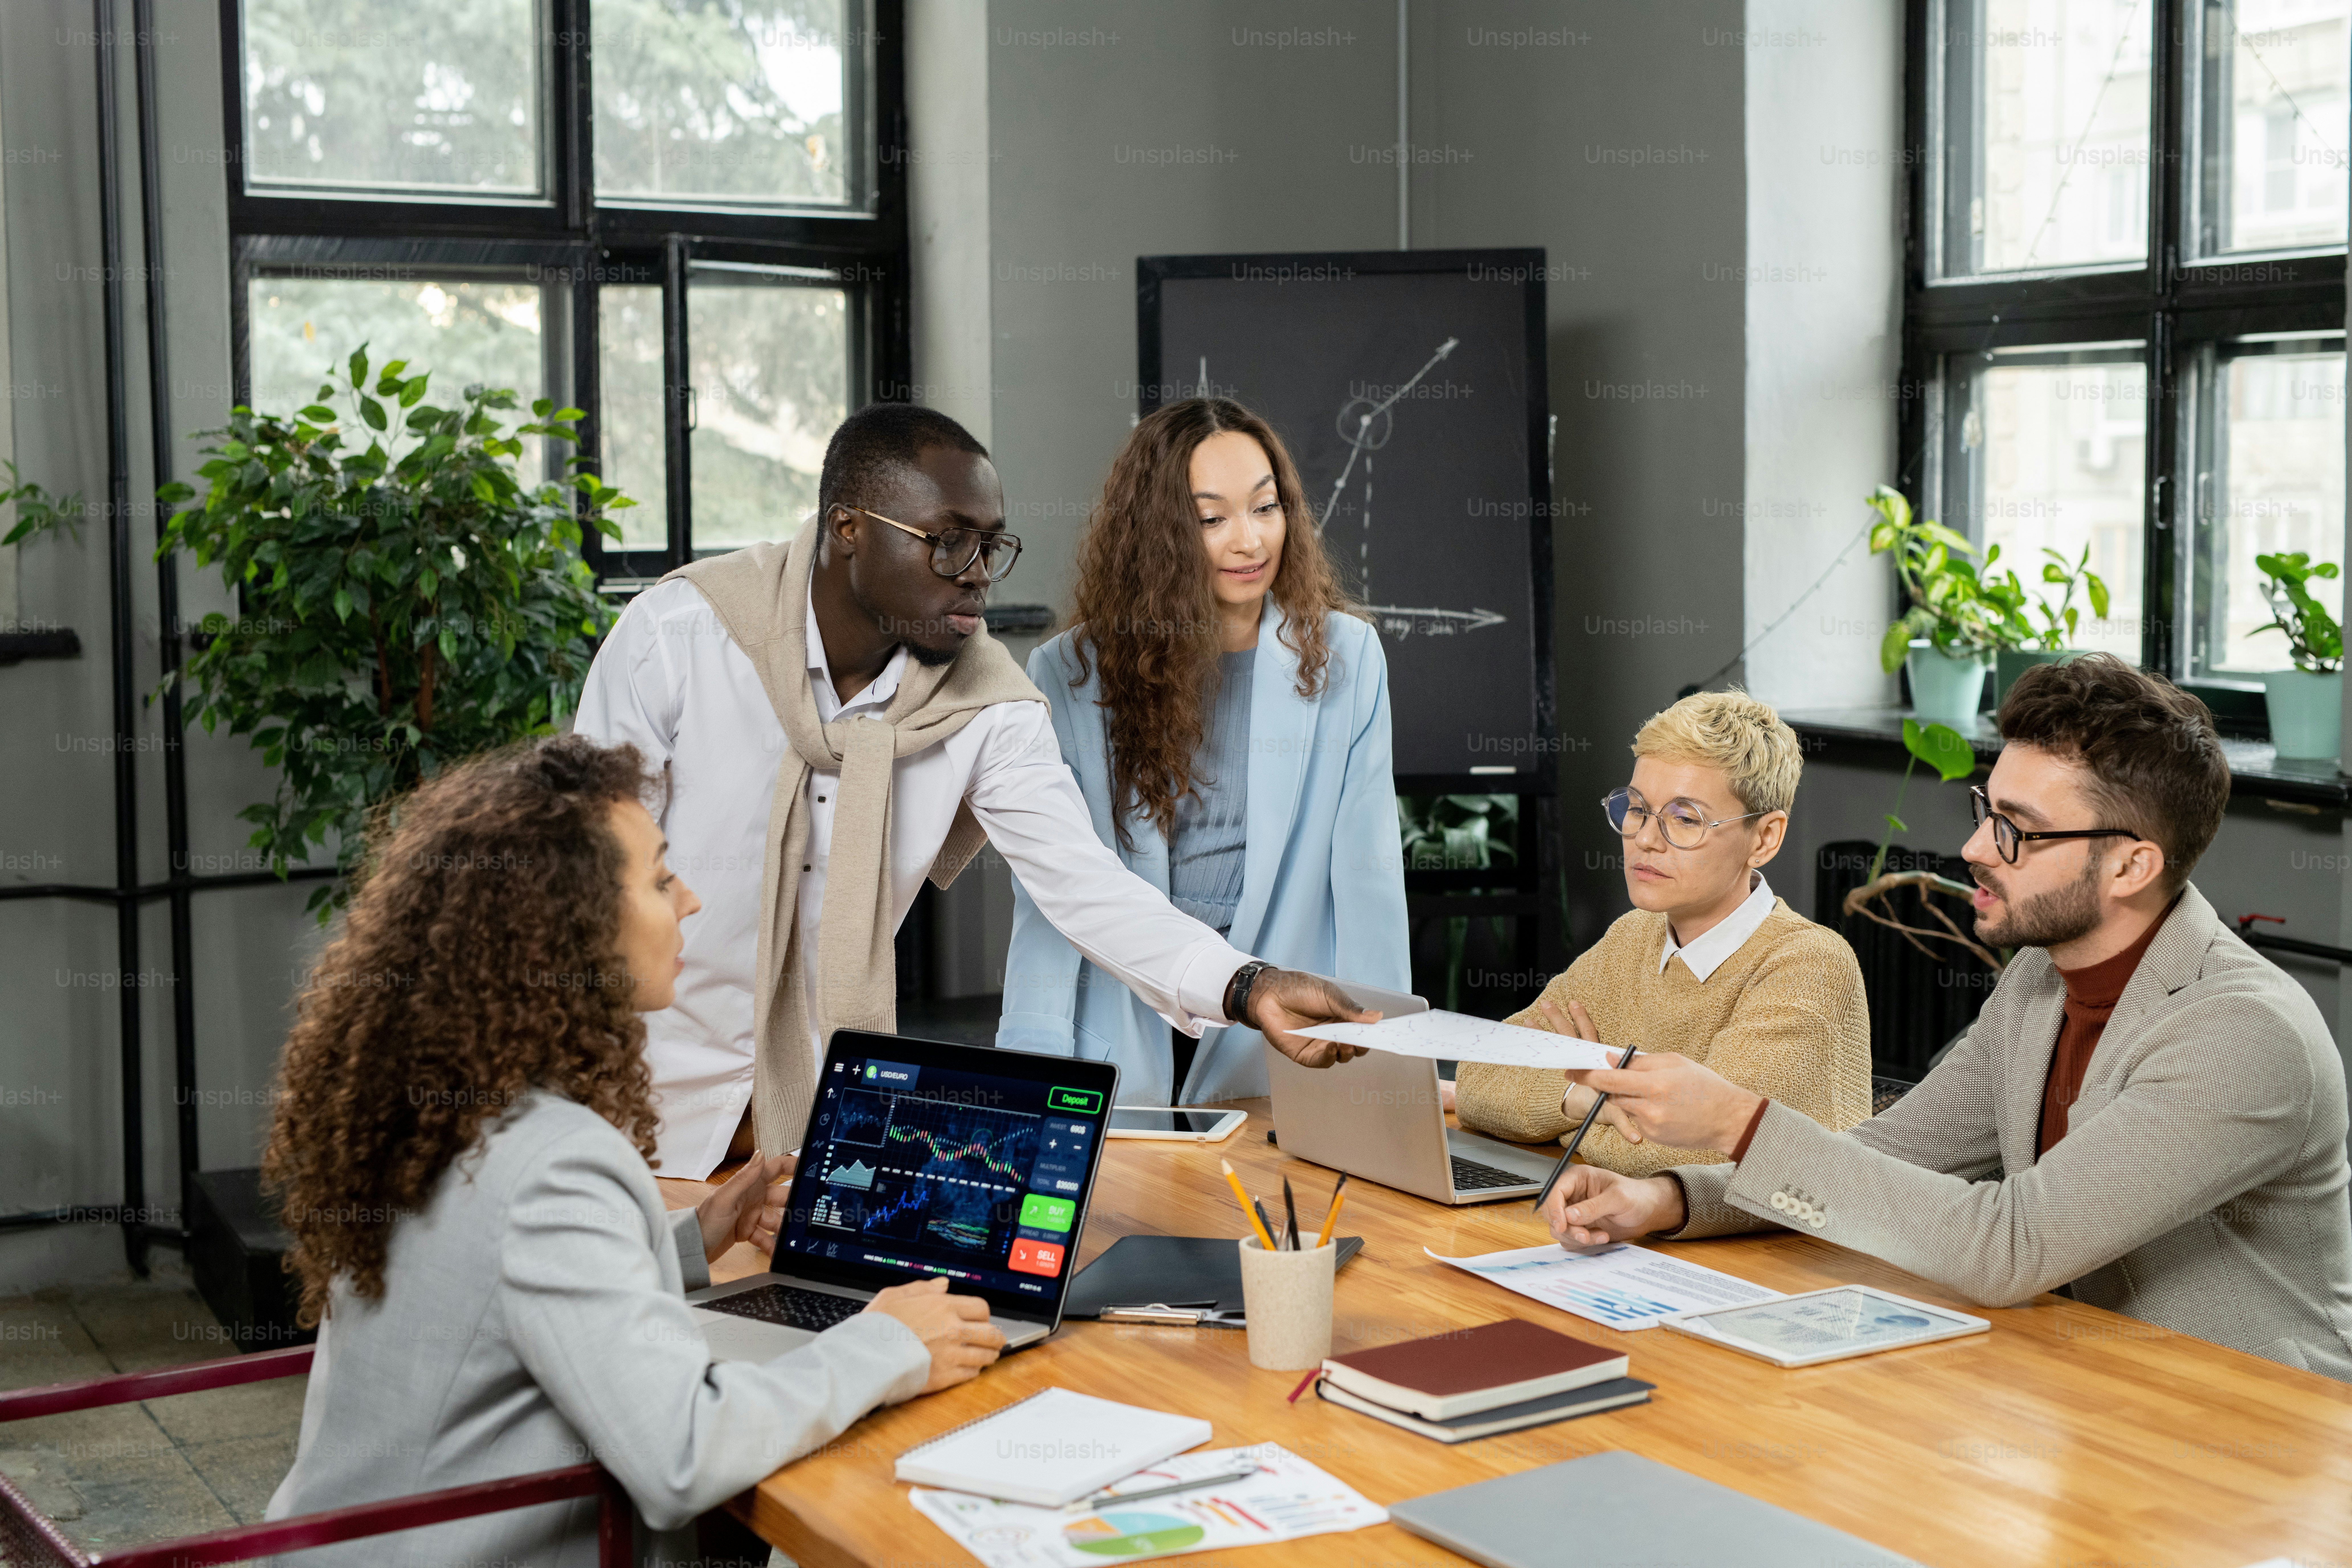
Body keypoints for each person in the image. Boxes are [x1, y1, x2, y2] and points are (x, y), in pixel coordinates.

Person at [574, 403, 1375, 1178]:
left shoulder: (987, 702)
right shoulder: (679, 637)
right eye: (949, 544)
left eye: (992, 546)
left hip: (822, 1136)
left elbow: (1086, 885)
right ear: (849, 529)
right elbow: (590, 883)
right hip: (633, 1116)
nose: (978, 577)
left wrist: (1248, 986)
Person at [260, 735, 1006, 1566]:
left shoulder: (439, 1112)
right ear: (564, 933)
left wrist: (693, 1238)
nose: (690, 899)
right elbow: (684, 1455)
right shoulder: (554, 1164)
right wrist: (888, 1341)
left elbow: (496, 1283)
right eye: (658, 880)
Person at [1541, 656, 2352, 1379]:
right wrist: (1672, 1199)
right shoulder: (2040, 979)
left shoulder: (2243, 1034)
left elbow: (2009, 1245)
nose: (1974, 850)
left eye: (2018, 831)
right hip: (2081, 1388)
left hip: (2254, 1438)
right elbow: (1887, 1155)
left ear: (2132, 866)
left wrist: (1736, 1121)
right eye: (1984, 812)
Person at [996, 399, 1409, 1103]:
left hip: (1280, 1033)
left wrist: (1386, 1064)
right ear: (1155, 535)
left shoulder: (1349, 656)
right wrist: (1030, 1067)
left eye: (1266, 508)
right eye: (1211, 519)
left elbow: (1368, 880)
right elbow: (1053, 893)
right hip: (1120, 1025)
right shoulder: (1069, 671)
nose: (1250, 541)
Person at [1447, 689, 1871, 1173]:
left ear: (1764, 838)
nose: (1645, 839)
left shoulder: (1808, 965)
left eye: (1685, 819)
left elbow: (1697, 1160)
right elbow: (1478, 1077)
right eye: (1637, 808)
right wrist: (1583, 1099)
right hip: (1623, 1212)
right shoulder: (1634, 936)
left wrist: (1580, 1097)